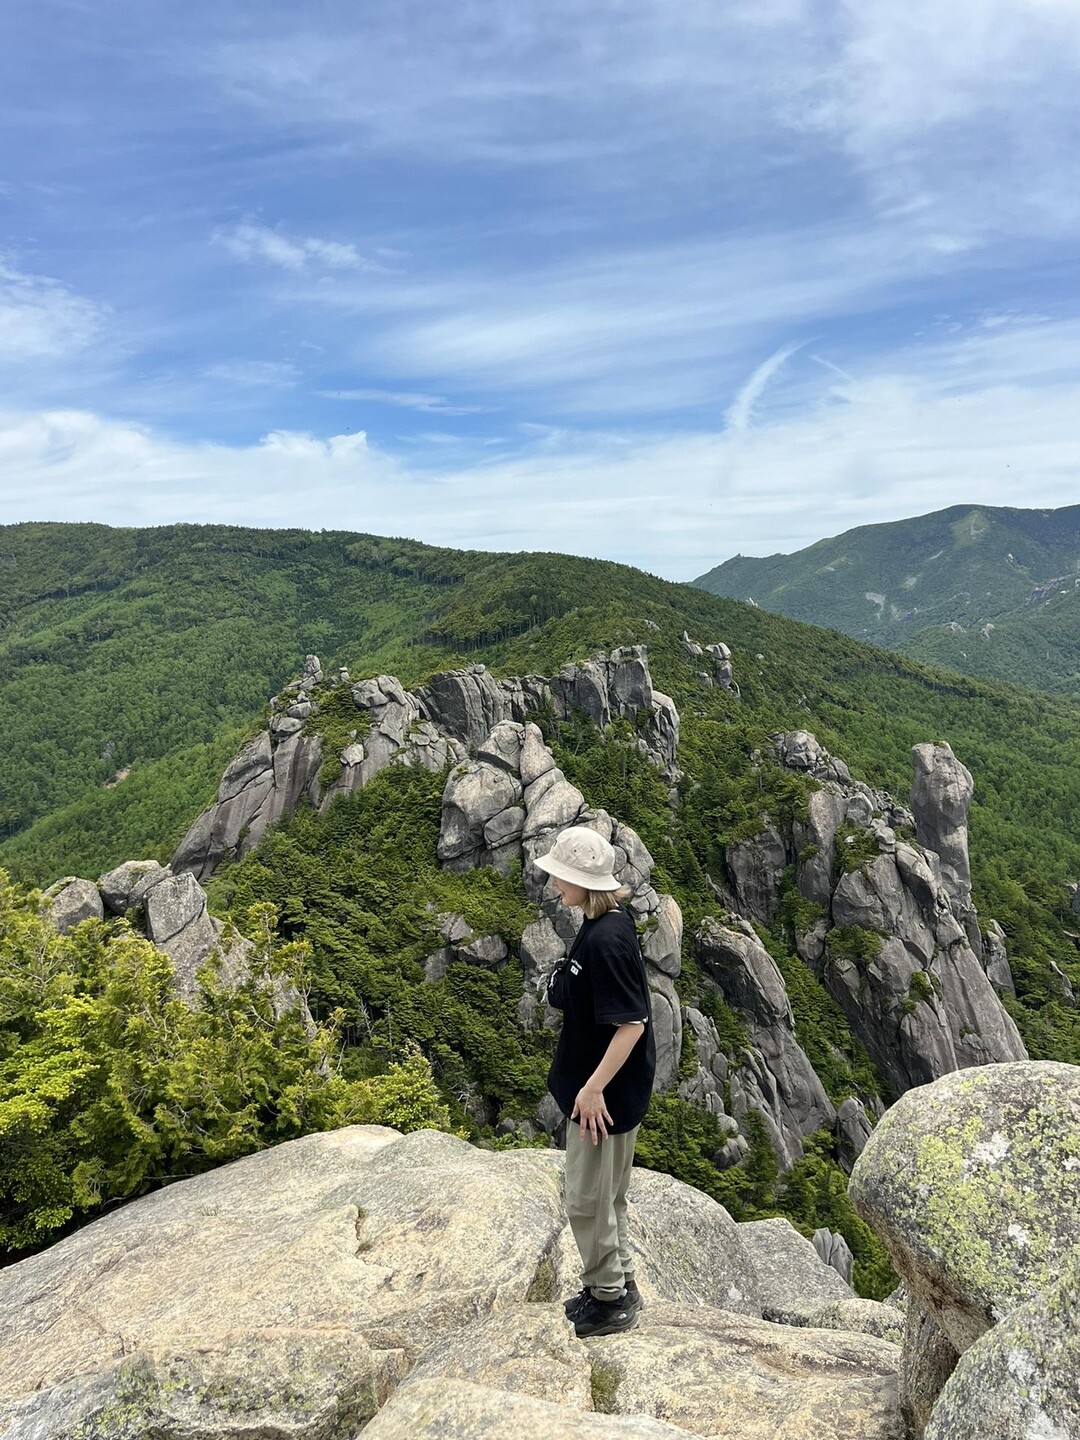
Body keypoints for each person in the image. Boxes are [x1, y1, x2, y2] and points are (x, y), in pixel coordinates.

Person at [535, 825, 656, 1338]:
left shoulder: (607, 940)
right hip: (608, 1091)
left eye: (561, 876)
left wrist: (592, 1089)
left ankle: (609, 1302)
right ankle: (619, 1282)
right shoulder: (604, 920)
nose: (554, 884)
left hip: (602, 1100)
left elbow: (632, 1025)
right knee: (608, 1197)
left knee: (586, 1201)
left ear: (585, 882)